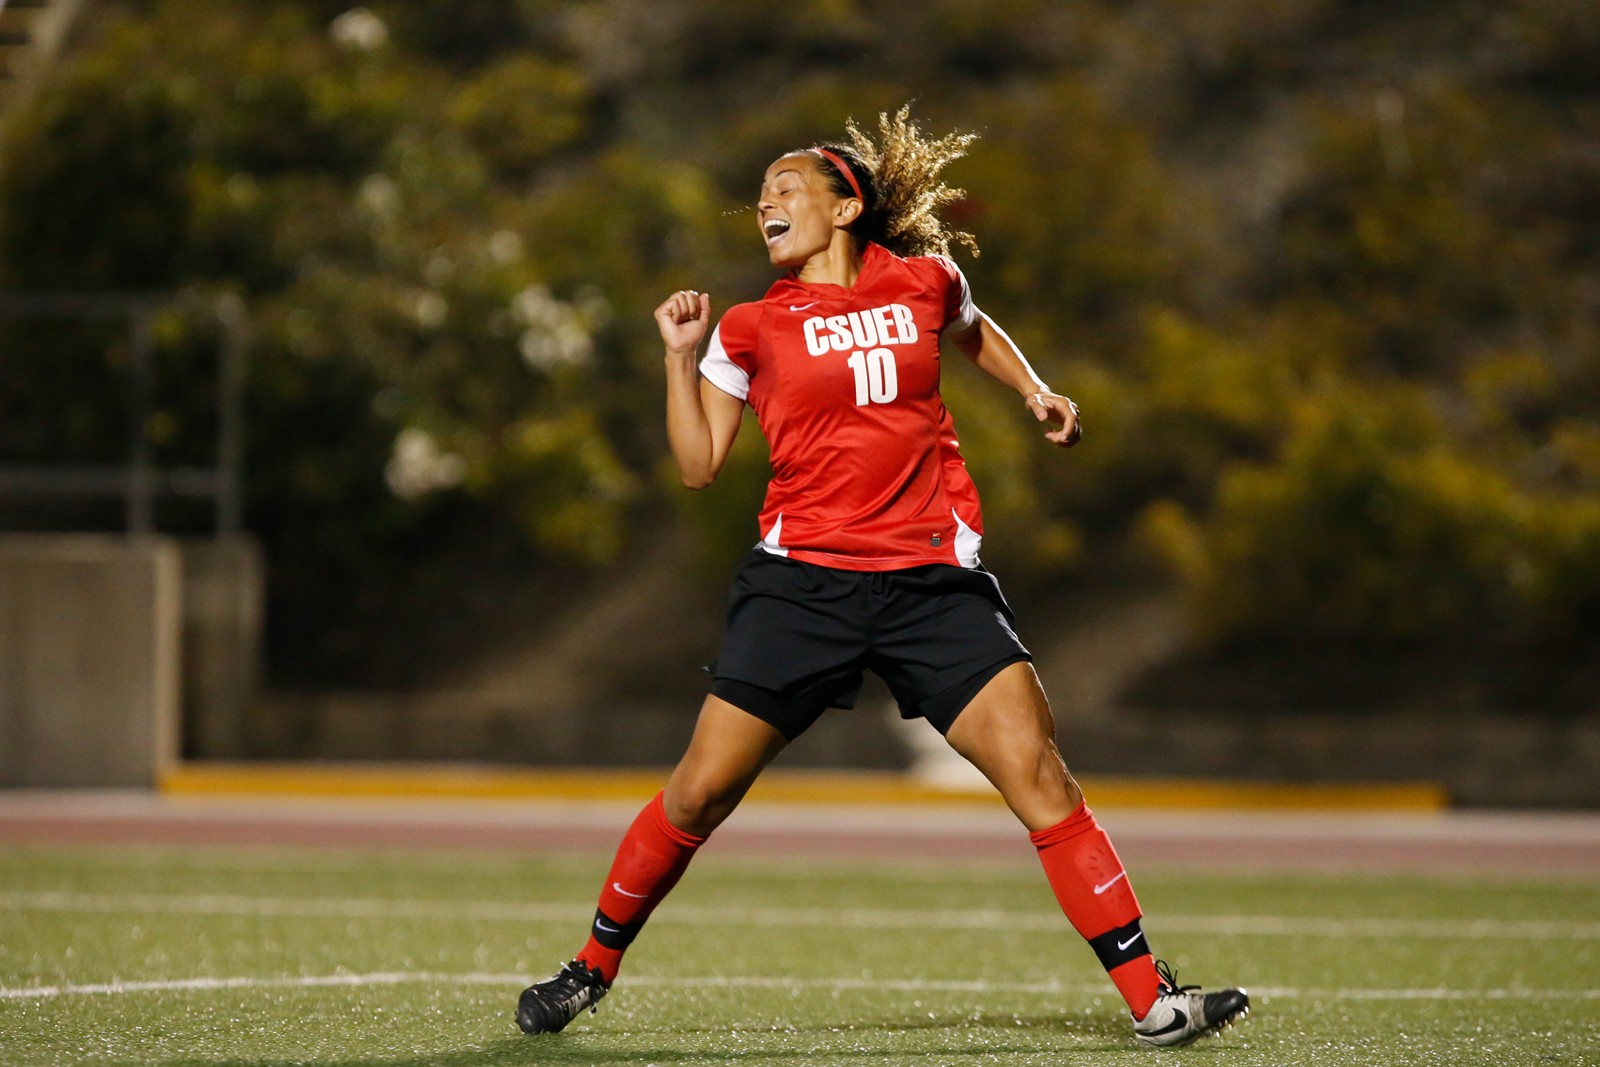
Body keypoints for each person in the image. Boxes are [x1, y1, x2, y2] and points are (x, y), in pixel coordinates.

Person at [516, 107, 1249, 1049]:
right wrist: (676, 356)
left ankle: (1152, 1001)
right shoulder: (748, 327)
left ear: (845, 205)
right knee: (697, 794)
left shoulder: (926, 281)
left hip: (931, 583)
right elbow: (698, 465)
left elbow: (974, 329)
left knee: (1043, 780)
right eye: (761, 193)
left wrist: (1035, 391)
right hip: (802, 587)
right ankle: (589, 969)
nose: (766, 202)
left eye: (786, 187)